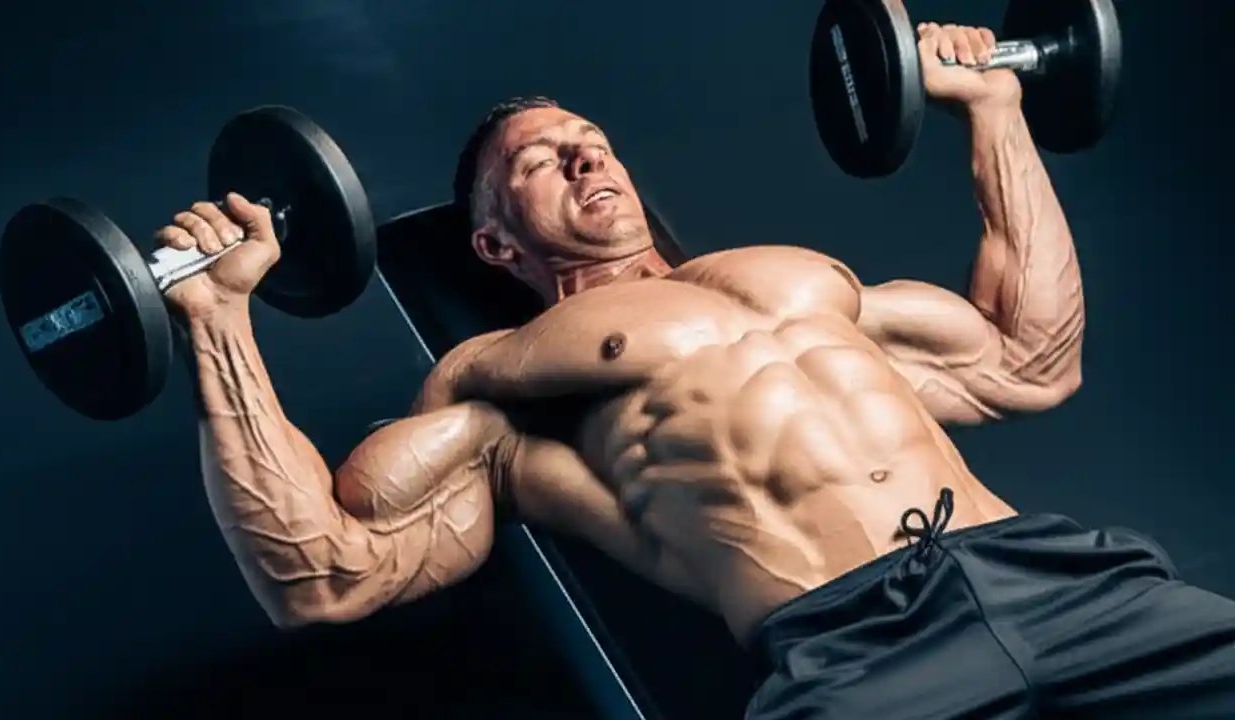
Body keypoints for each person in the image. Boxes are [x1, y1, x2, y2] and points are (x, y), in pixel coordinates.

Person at [158, 23, 1235, 719]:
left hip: (1052, 579)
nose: (582, 156)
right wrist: (217, 318)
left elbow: (1029, 359)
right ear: (493, 244)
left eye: (588, 140)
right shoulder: (499, 383)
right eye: (535, 162)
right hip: (855, 658)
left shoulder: (801, 281)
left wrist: (996, 113)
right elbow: (323, 575)